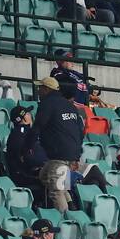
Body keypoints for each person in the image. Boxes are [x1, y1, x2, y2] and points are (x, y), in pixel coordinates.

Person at [27, 76, 84, 214]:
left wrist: (26, 148)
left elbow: (37, 127)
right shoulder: (70, 106)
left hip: (59, 156)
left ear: (46, 89)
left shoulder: (48, 104)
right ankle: (70, 204)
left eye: (40, 87)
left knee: (56, 191)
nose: (38, 90)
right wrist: (76, 155)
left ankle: (66, 221)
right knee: (45, 175)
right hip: (70, 156)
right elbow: (80, 130)